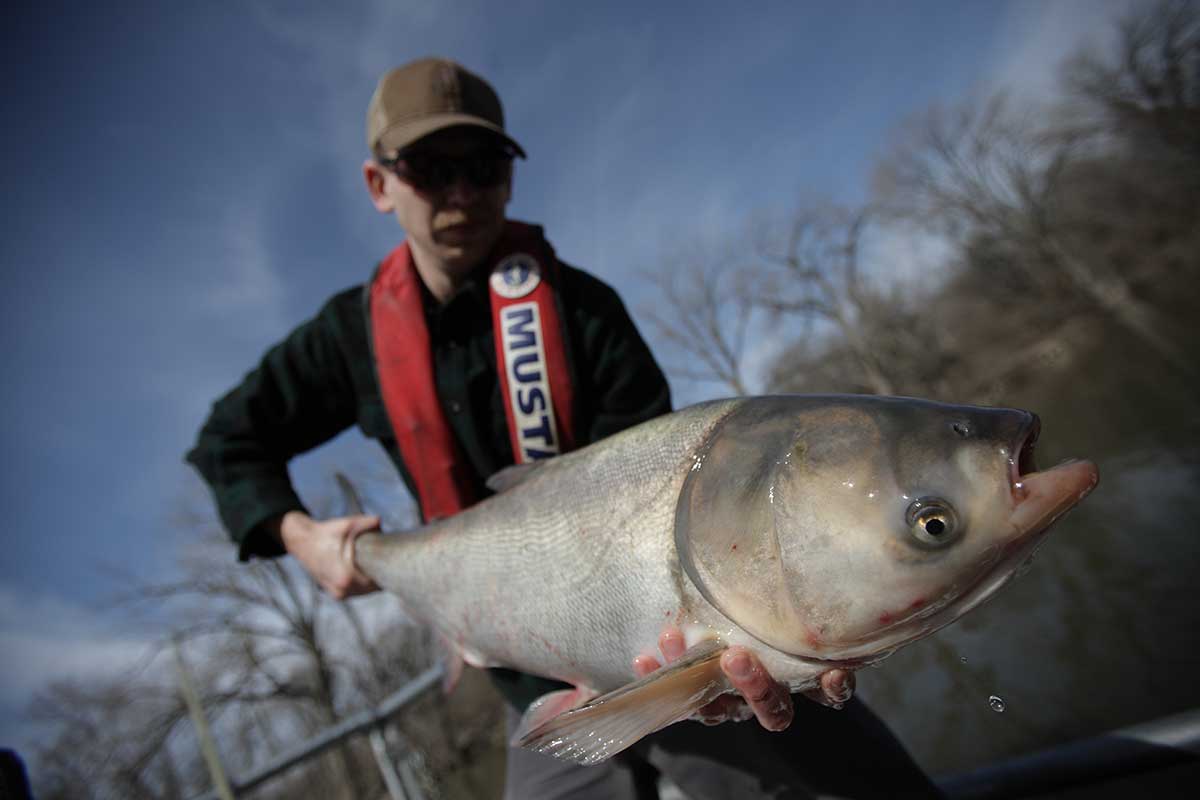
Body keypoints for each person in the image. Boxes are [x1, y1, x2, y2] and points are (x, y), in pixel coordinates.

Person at [187, 57, 941, 799]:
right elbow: (227, 439)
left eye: (482, 165)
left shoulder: (585, 311)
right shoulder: (344, 340)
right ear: (380, 184)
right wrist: (299, 536)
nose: (460, 192)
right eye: (428, 167)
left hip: (679, 658)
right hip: (530, 688)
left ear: (509, 175)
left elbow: (662, 510)